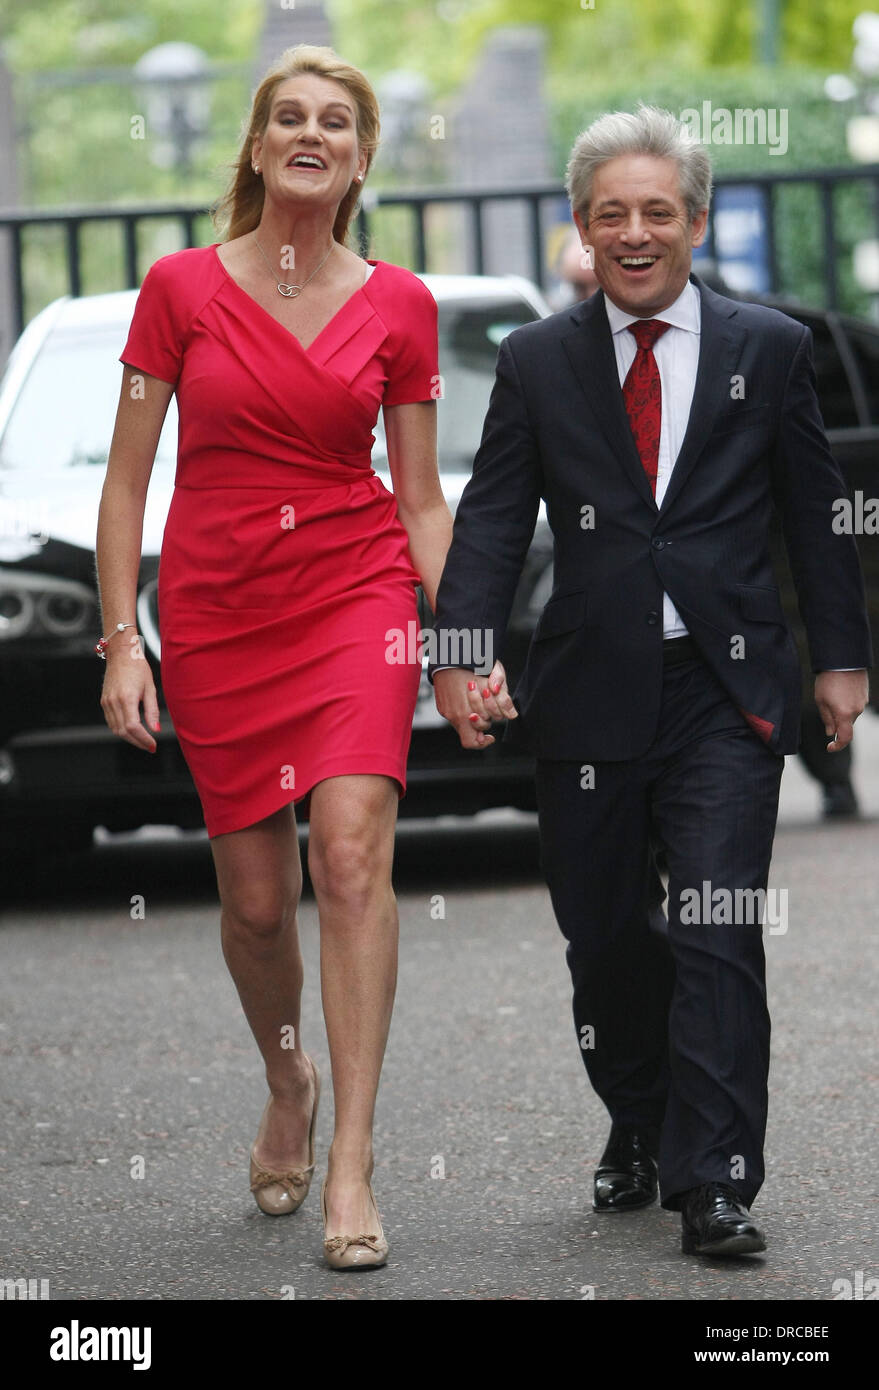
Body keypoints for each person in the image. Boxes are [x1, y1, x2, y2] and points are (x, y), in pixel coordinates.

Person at [432, 105, 871, 1257]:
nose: (635, 233)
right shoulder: (536, 361)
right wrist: (461, 650)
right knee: (608, 938)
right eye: (612, 213)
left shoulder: (768, 349)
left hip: (729, 693)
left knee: (720, 922)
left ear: (696, 221)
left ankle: (715, 1179)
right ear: (583, 227)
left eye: (657, 212)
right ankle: (640, 1116)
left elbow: (816, 519)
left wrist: (839, 656)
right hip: (588, 693)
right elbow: (488, 520)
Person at [96, 44, 450, 1270]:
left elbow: (418, 501)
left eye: (337, 121)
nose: (313, 133)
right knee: (256, 903)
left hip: (355, 592)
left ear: (360, 158)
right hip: (216, 609)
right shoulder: (179, 288)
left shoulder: (401, 304)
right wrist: (119, 639)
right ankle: (284, 1073)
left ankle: (352, 1160)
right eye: (289, 117)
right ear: (255, 148)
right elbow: (129, 477)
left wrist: (454, 638)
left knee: (349, 854)